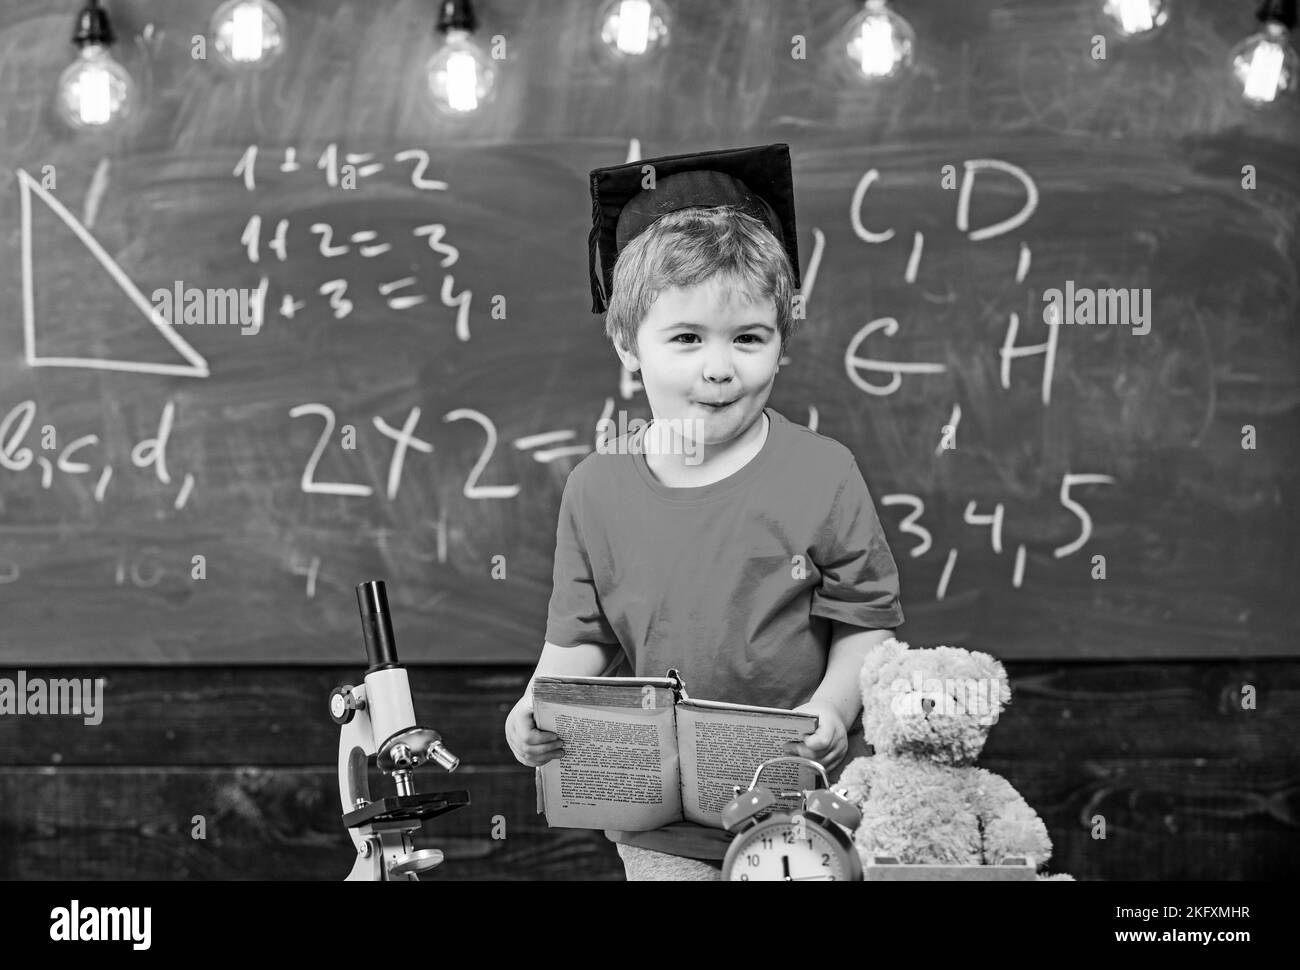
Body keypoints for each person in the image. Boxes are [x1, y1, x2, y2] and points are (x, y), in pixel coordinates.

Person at [504, 144, 904, 880]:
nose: (718, 367)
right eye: (686, 338)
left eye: (748, 338)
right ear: (628, 345)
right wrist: (534, 704)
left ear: (781, 344)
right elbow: (580, 638)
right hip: (665, 833)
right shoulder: (597, 489)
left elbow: (868, 625)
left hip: (804, 814)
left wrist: (834, 711)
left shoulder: (824, 473)